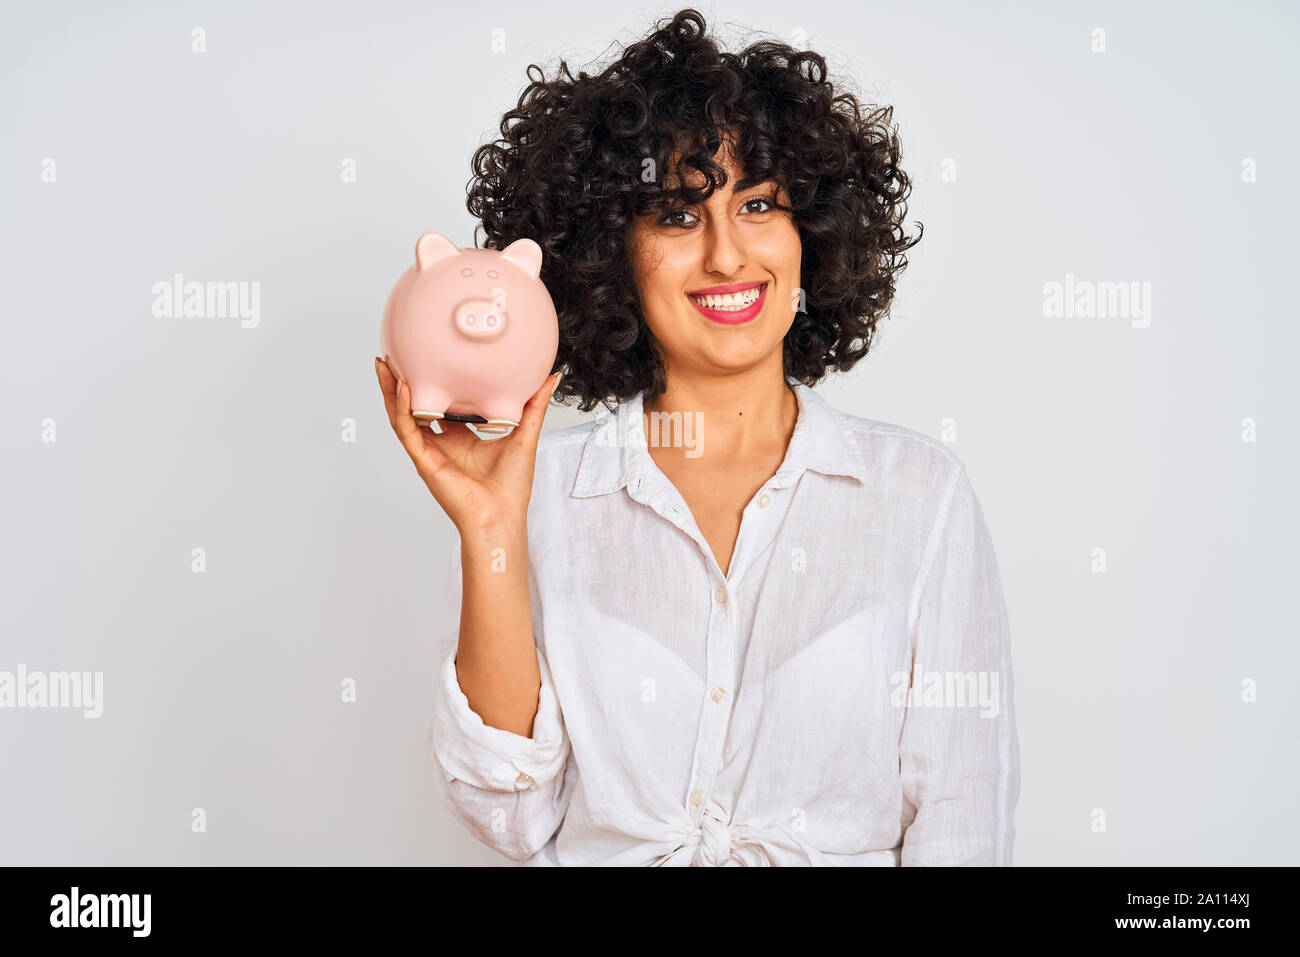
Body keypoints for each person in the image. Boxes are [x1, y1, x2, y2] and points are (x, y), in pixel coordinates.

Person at [376, 8, 1020, 865]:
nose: (725, 254)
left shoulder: (918, 494)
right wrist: (491, 530)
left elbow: (963, 818)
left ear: (810, 235)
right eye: (678, 216)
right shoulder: (544, 494)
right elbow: (510, 818)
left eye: (758, 204)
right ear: (614, 250)